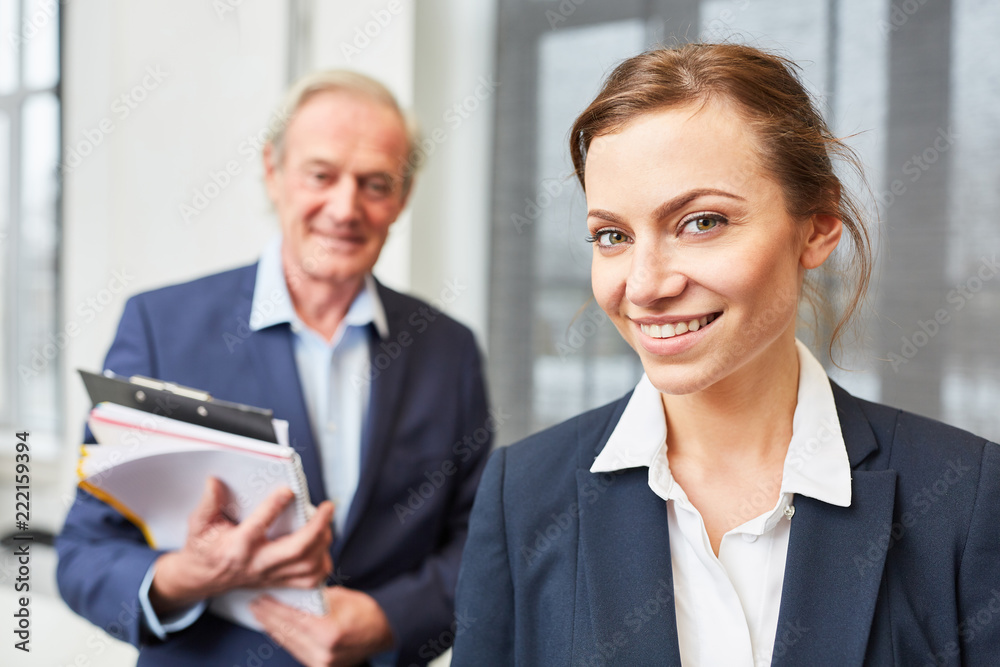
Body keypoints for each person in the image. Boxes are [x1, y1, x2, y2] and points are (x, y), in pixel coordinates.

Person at [452, 43, 1000, 666]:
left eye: (701, 222)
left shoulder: (967, 499)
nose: (644, 285)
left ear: (818, 225)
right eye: (612, 236)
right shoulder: (522, 497)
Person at [57, 70, 492, 667]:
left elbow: (480, 547)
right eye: (321, 175)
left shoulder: (450, 351)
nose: (345, 208)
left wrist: (387, 618)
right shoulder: (161, 329)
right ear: (272, 171)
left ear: (404, 196)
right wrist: (184, 576)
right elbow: (84, 552)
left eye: (375, 184)